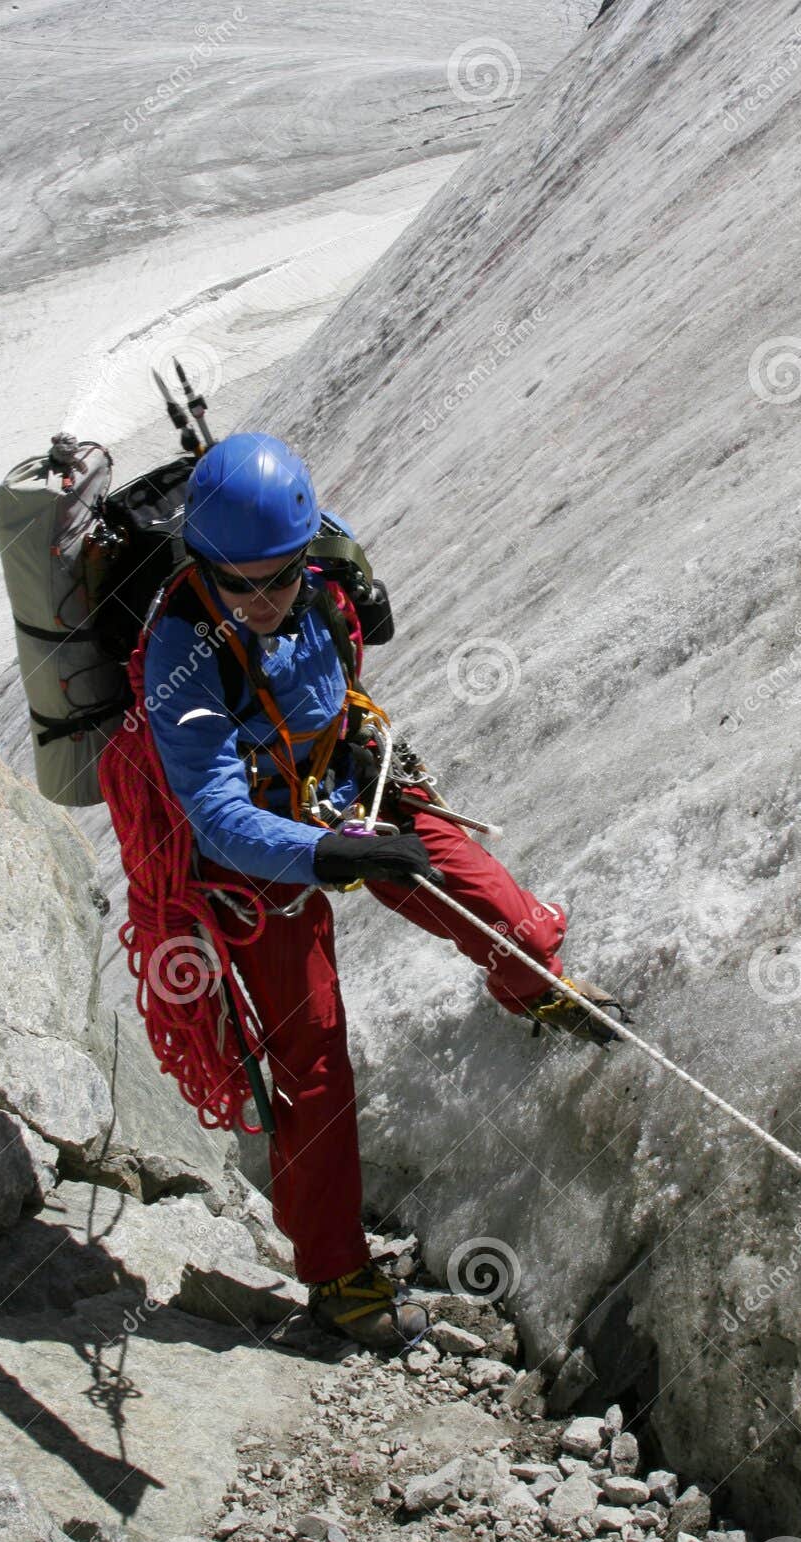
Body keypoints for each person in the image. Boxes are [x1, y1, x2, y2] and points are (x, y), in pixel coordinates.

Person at [144, 432, 625, 1351]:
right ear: (199, 566)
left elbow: (348, 601)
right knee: (314, 1061)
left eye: (277, 579)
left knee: (511, 917)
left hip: (348, 782)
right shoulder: (182, 655)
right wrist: (330, 853)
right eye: (237, 585)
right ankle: (336, 1277)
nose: (262, 601)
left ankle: (534, 986)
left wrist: (351, 829)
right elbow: (215, 815)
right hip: (259, 861)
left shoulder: (320, 554)